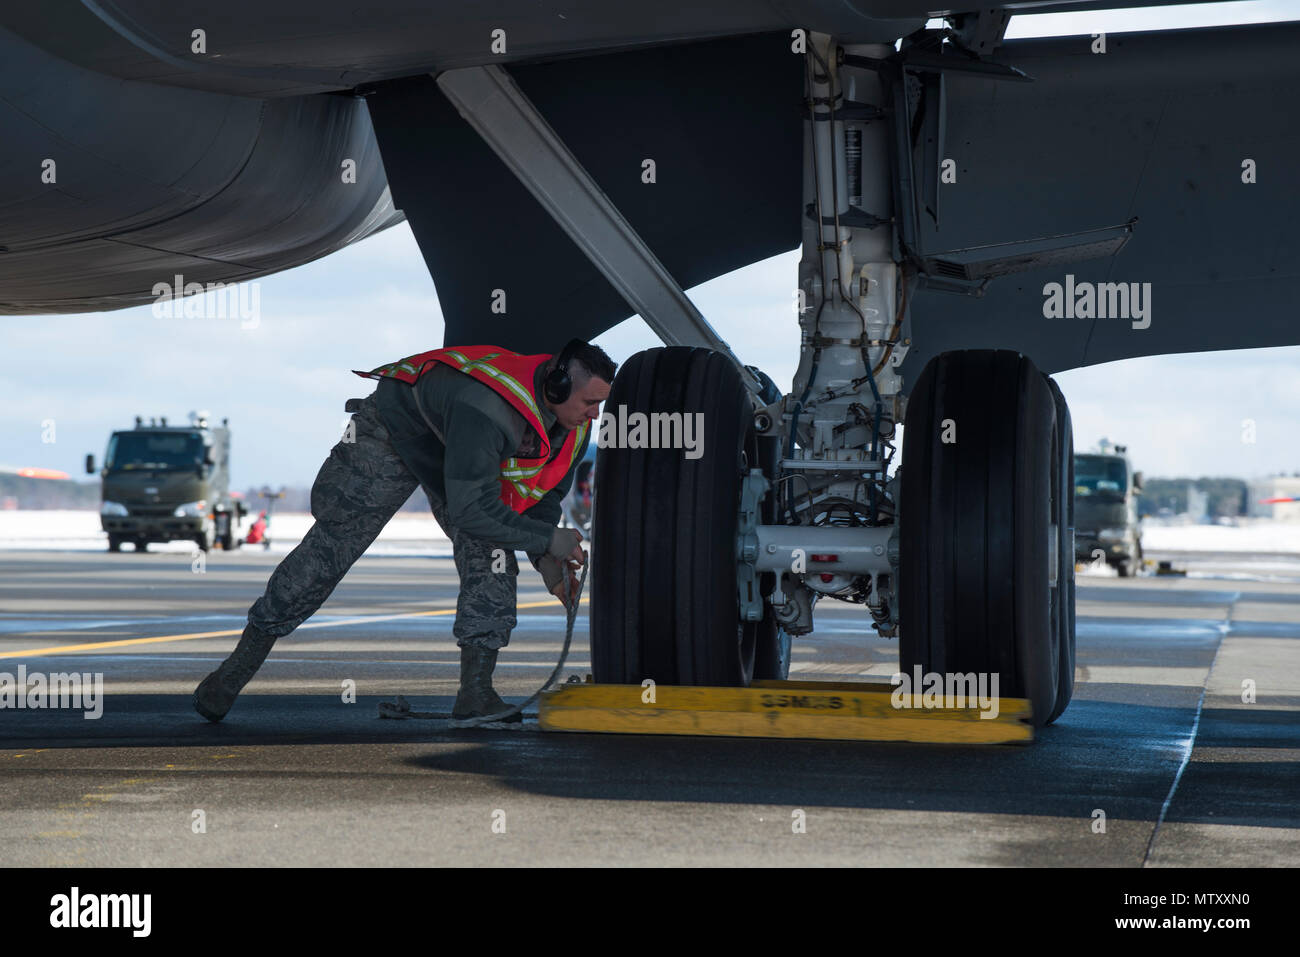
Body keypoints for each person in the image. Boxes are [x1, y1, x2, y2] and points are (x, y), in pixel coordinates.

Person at [193, 339, 616, 723]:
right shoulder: (489, 408)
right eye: (590, 401)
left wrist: (546, 557)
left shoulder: (574, 427)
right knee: (332, 549)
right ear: (558, 388)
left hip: (466, 458)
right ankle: (231, 675)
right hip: (399, 431)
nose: (595, 414)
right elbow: (472, 512)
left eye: (601, 404)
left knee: (493, 554)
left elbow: (537, 497)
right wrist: (547, 540)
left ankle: (475, 694)